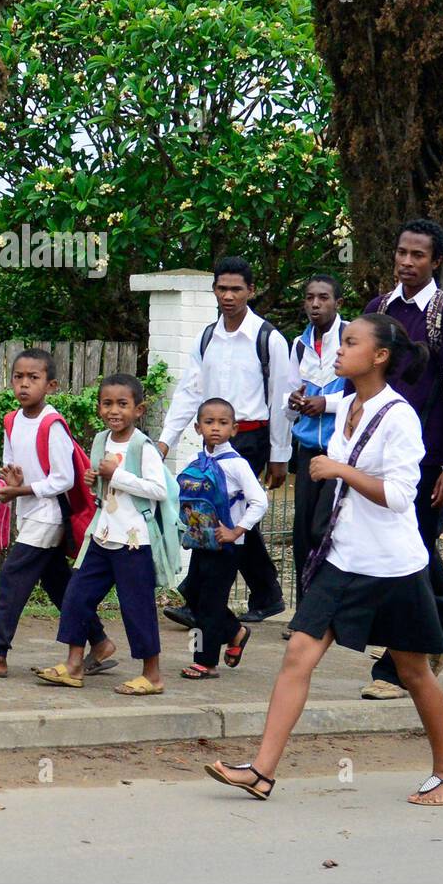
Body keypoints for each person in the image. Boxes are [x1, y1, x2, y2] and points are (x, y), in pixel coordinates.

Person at [204, 313, 443, 805]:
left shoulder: (399, 415)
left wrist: (340, 468)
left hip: (392, 568)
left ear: (380, 356)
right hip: (341, 559)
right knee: (297, 654)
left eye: (350, 343)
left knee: (412, 673)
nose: (339, 351)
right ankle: (261, 771)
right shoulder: (345, 404)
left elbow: (402, 495)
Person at [358, 219, 443, 699]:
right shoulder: (377, 310)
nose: (407, 262)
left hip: (428, 461)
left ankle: (396, 666)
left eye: (418, 255)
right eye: (402, 252)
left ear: (436, 261)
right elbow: (359, 380)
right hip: (378, 457)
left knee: (410, 550)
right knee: (407, 549)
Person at [0, 350, 114, 679]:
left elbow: (64, 479)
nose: (24, 384)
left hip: (49, 514)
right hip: (29, 512)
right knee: (57, 582)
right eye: (18, 377)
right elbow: (14, 466)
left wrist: (22, 491)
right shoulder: (12, 421)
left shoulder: (51, 424)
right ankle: (99, 642)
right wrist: (13, 481)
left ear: (51, 385)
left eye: (33, 378)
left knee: (12, 578)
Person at [159, 257, 292, 626]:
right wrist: (166, 440)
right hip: (211, 441)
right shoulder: (206, 338)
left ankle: (197, 598)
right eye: (222, 288)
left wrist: (280, 455)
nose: (228, 296)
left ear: (251, 291)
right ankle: (266, 594)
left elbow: (282, 400)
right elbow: (189, 392)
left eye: (236, 289)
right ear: (214, 290)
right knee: (226, 517)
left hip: (250, 440)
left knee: (223, 515)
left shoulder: (269, 339)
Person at [35, 374, 167, 695]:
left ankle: (152, 675)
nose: (114, 410)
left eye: (123, 404)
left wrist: (116, 475)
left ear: (139, 409)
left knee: (137, 606)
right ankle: (73, 665)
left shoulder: (142, 446)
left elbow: (158, 490)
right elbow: (101, 491)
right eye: (107, 403)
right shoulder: (99, 441)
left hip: (134, 541)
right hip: (103, 535)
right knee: (76, 596)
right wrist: (94, 478)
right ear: (98, 408)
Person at [179, 398, 269, 680]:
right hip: (201, 542)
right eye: (209, 422)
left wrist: (237, 531)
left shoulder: (237, 465)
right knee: (192, 595)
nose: (215, 428)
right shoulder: (198, 462)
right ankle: (235, 632)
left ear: (234, 428)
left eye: (222, 423)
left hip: (227, 546)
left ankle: (204, 661)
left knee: (210, 602)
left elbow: (260, 502)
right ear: (197, 427)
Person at [285, 274, 347, 624]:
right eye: (309, 298)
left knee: (327, 527)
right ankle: (307, 611)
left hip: (341, 452)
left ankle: (329, 610)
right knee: (304, 529)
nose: (315, 304)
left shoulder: (352, 337)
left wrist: (328, 403)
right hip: (308, 449)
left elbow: (362, 393)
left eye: (323, 297)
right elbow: (288, 398)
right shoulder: (299, 344)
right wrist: (294, 400)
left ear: (337, 301)